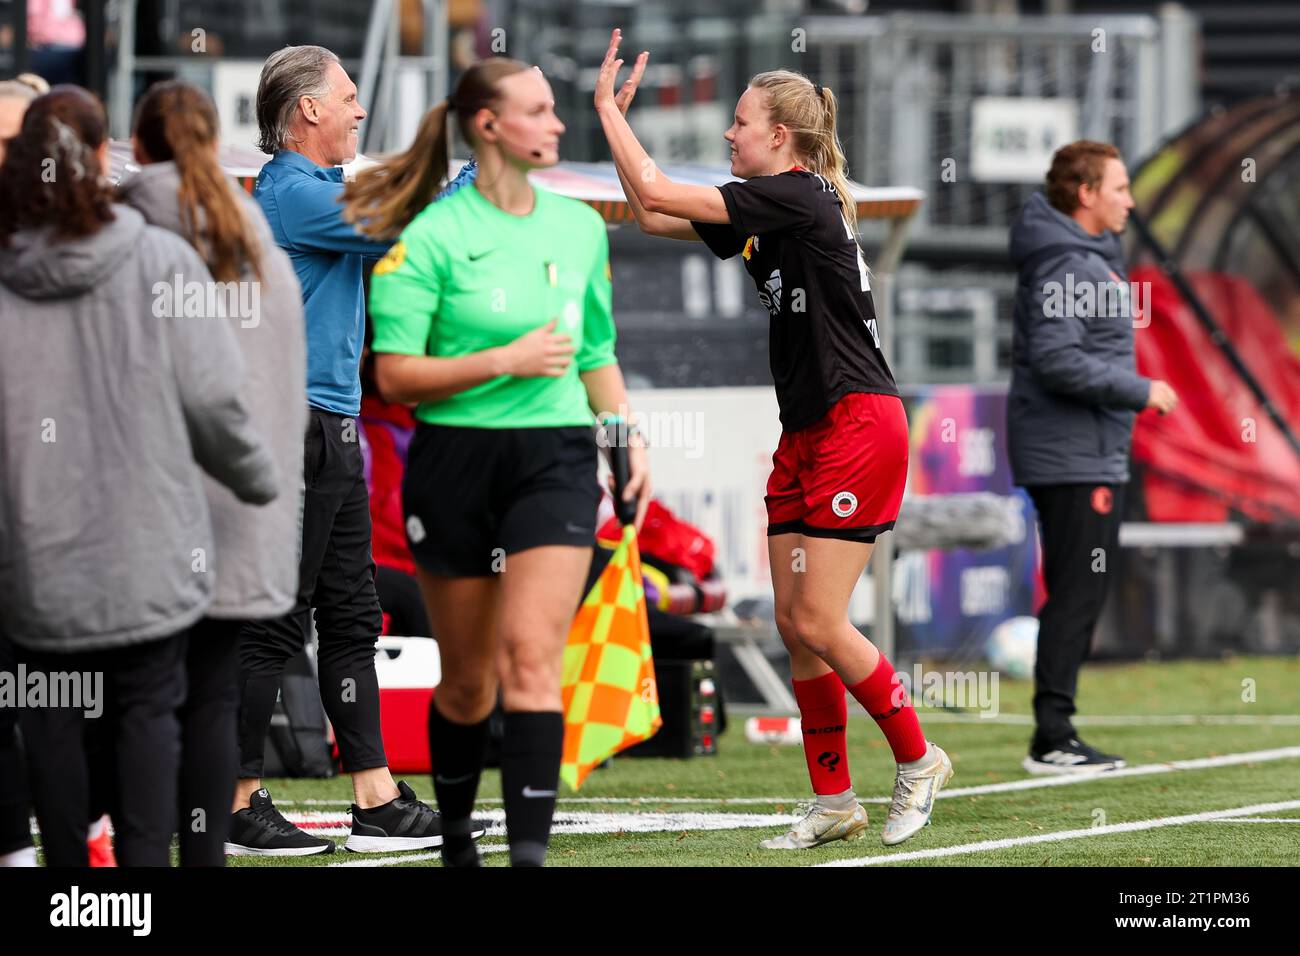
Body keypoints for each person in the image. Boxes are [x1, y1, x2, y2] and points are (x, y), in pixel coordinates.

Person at [595, 29, 951, 849]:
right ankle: (833, 799)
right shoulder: (771, 207)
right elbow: (648, 211)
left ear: (779, 138)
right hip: (807, 430)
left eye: (741, 122)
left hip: (858, 423)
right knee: (794, 622)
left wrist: (605, 115)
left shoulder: (798, 194)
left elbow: (649, 180)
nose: (730, 133)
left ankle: (920, 756)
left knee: (821, 620)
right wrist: (619, 130)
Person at [349, 57, 652, 867]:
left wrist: (624, 436)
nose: (558, 125)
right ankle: (454, 842)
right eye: (541, 111)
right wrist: (503, 359)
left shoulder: (581, 226)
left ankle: (527, 858)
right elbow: (394, 376)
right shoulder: (429, 239)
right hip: (453, 461)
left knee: (531, 661)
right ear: (489, 127)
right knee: (467, 684)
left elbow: (596, 351)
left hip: (552, 460)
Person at [0, 85, 278, 866]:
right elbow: (217, 402)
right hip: (150, 549)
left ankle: (72, 885)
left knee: (51, 721)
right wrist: (258, 479)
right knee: (149, 716)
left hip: (34, 557)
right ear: (100, 156)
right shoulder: (160, 258)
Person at [229, 45, 472, 855]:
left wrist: (453, 180)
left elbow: (398, 202)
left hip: (328, 424)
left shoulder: (318, 185)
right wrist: (468, 180)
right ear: (306, 113)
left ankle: (373, 800)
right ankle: (234, 802)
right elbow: (399, 221)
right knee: (273, 620)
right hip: (290, 421)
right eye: (348, 97)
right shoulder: (292, 191)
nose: (359, 111)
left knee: (352, 614)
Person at [118, 79, 308, 865]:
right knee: (213, 701)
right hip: (243, 508)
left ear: (139, 148)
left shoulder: (125, 235)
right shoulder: (257, 243)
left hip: (150, 515)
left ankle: (130, 867)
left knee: (140, 703)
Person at [1008, 141, 1178, 774]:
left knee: (1083, 591)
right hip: (1072, 456)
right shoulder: (1068, 266)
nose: (1130, 200)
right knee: (1077, 593)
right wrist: (1141, 390)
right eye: (1120, 187)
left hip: (1087, 452)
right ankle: (1052, 737)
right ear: (1085, 194)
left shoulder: (1087, 260)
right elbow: (1055, 359)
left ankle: (1056, 732)